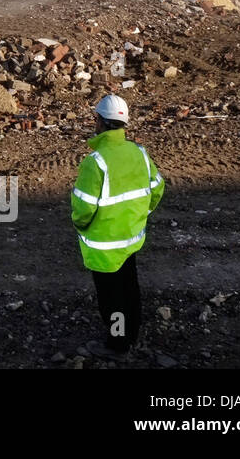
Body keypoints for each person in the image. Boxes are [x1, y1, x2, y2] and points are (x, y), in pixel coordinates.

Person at [71, 94, 165, 358]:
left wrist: (81, 226)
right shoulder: (139, 153)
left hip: (105, 245)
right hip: (131, 238)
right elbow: (157, 189)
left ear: (99, 122)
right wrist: (139, 214)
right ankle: (131, 333)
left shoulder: (96, 162)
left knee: (111, 298)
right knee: (129, 287)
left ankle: (117, 345)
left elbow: (83, 208)